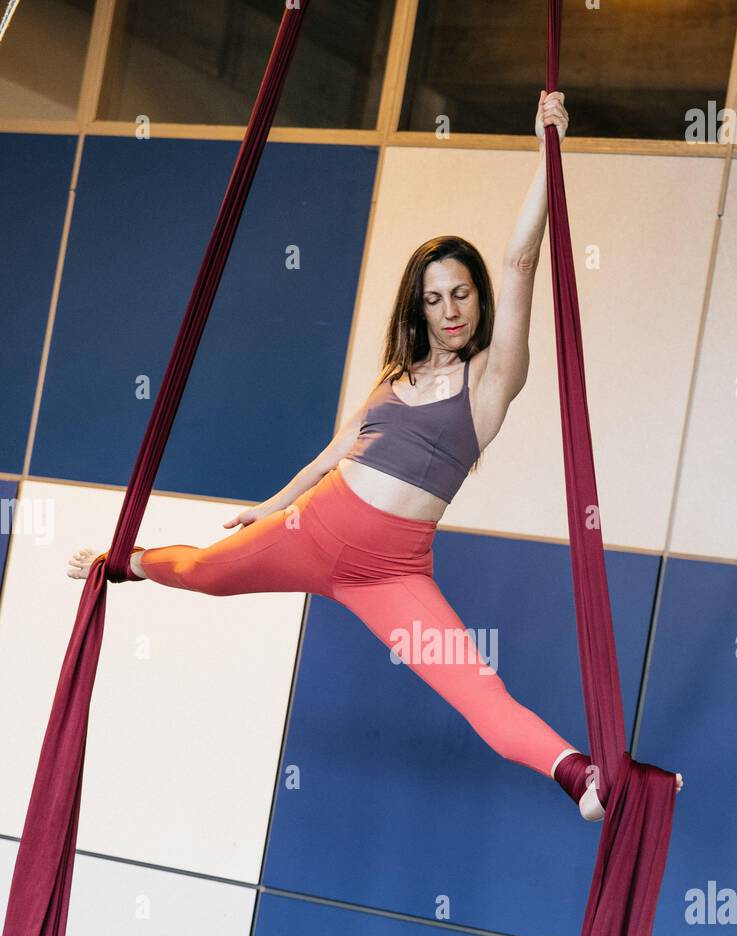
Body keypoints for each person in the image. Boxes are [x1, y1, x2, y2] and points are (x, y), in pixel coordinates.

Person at [68, 89, 682, 820]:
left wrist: (547, 149)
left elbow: (521, 260)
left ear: (479, 302)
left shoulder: (491, 381)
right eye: (434, 298)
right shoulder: (396, 375)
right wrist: (274, 506)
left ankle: (579, 775)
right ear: (416, 307)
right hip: (311, 528)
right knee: (200, 571)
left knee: (476, 688)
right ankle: (127, 562)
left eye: (461, 294)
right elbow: (337, 448)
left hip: (390, 573)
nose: (450, 310)